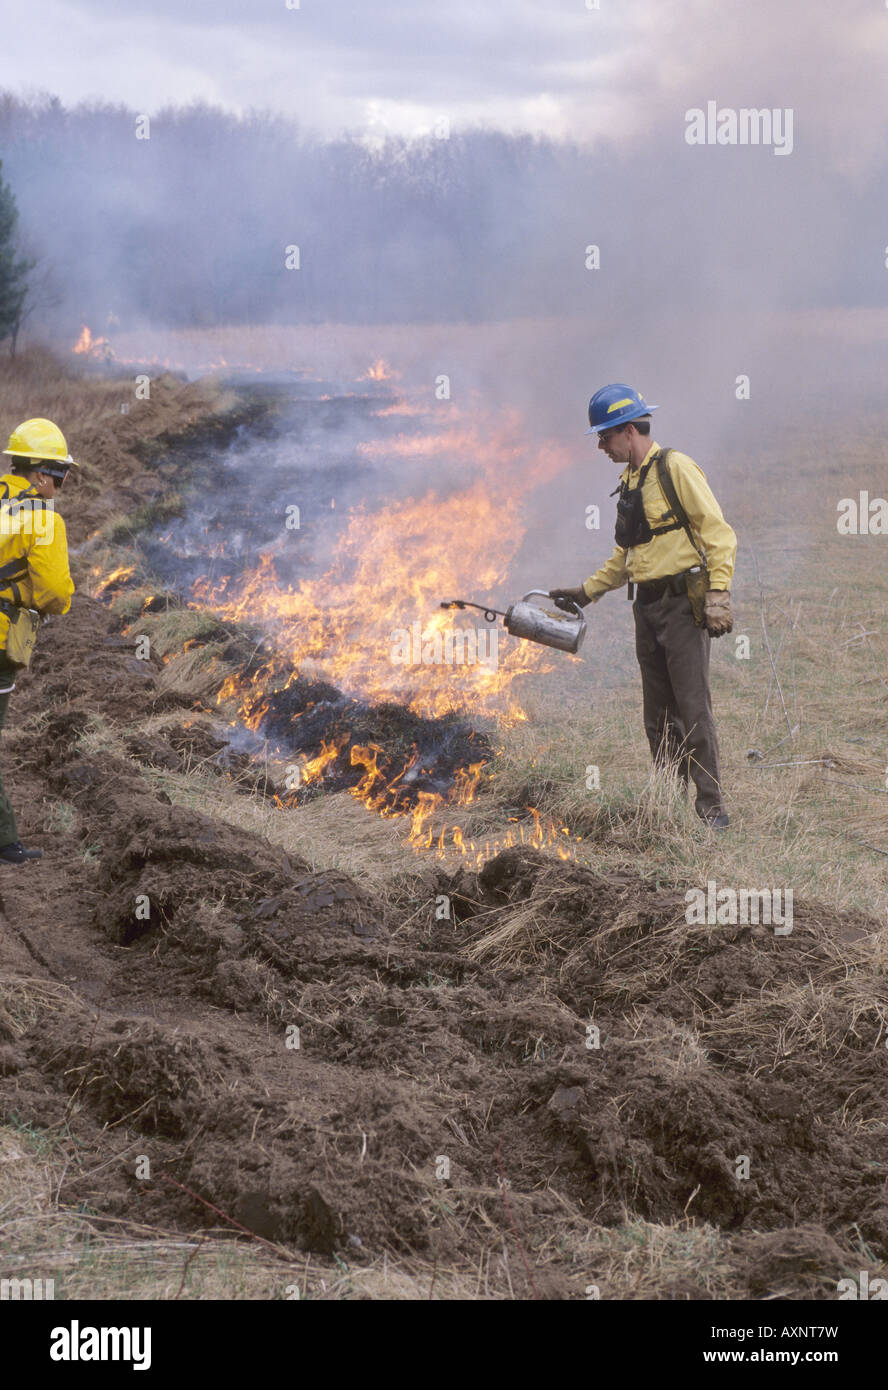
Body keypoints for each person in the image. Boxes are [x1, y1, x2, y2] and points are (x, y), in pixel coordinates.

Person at [551, 383, 737, 830]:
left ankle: (711, 808)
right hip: (646, 609)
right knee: (657, 715)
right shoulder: (630, 480)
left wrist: (718, 593)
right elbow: (626, 557)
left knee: (692, 709)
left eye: (604, 437)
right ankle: (667, 803)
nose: (600, 446)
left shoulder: (676, 468)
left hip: (682, 607)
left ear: (629, 430)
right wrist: (585, 591)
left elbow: (718, 532)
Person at [0, 418, 76, 863]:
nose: (60, 486)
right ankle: (5, 842)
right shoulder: (43, 519)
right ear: (42, 474)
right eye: (60, 476)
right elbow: (54, 593)